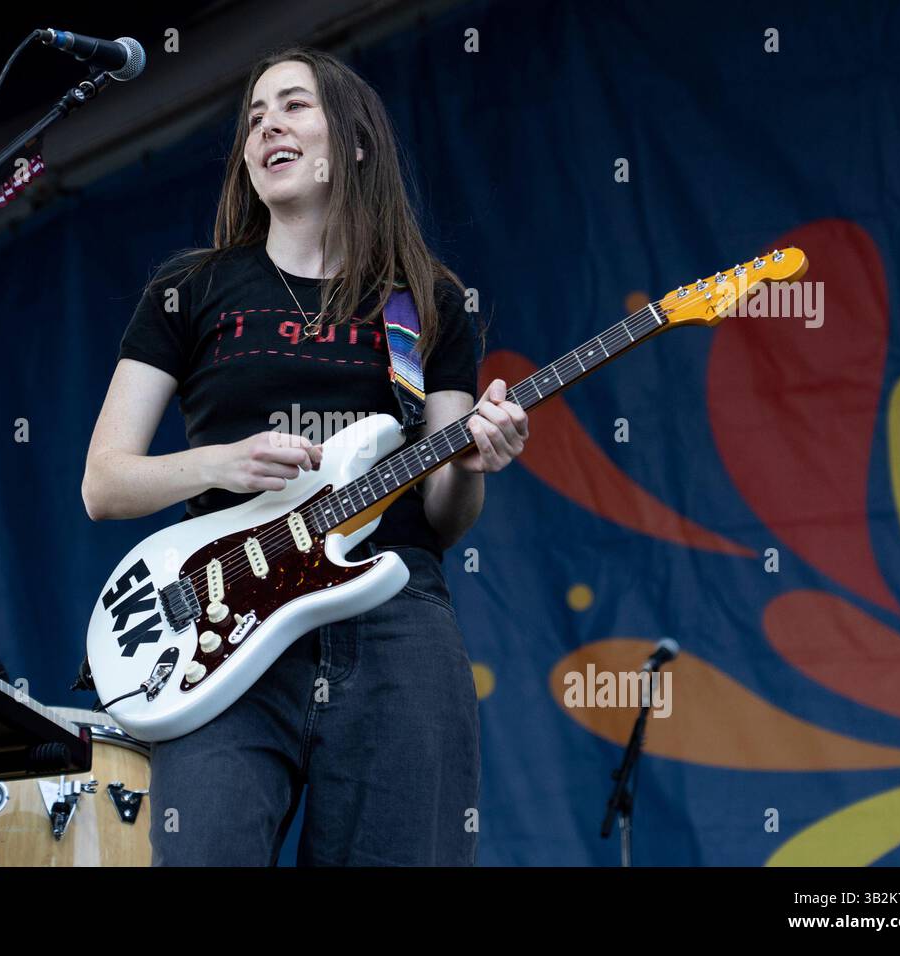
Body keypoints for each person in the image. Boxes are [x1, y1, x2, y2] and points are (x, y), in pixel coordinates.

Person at [81, 47, 528, 866]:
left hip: (394, 620)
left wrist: (470, 461)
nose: (267, 127)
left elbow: (444, 518)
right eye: (254, 117)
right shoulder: (192, 288)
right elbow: (104, 483)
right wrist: (221, 463)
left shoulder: (425, 300)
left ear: (353, 141)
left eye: (293, 106)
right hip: (221, 625)